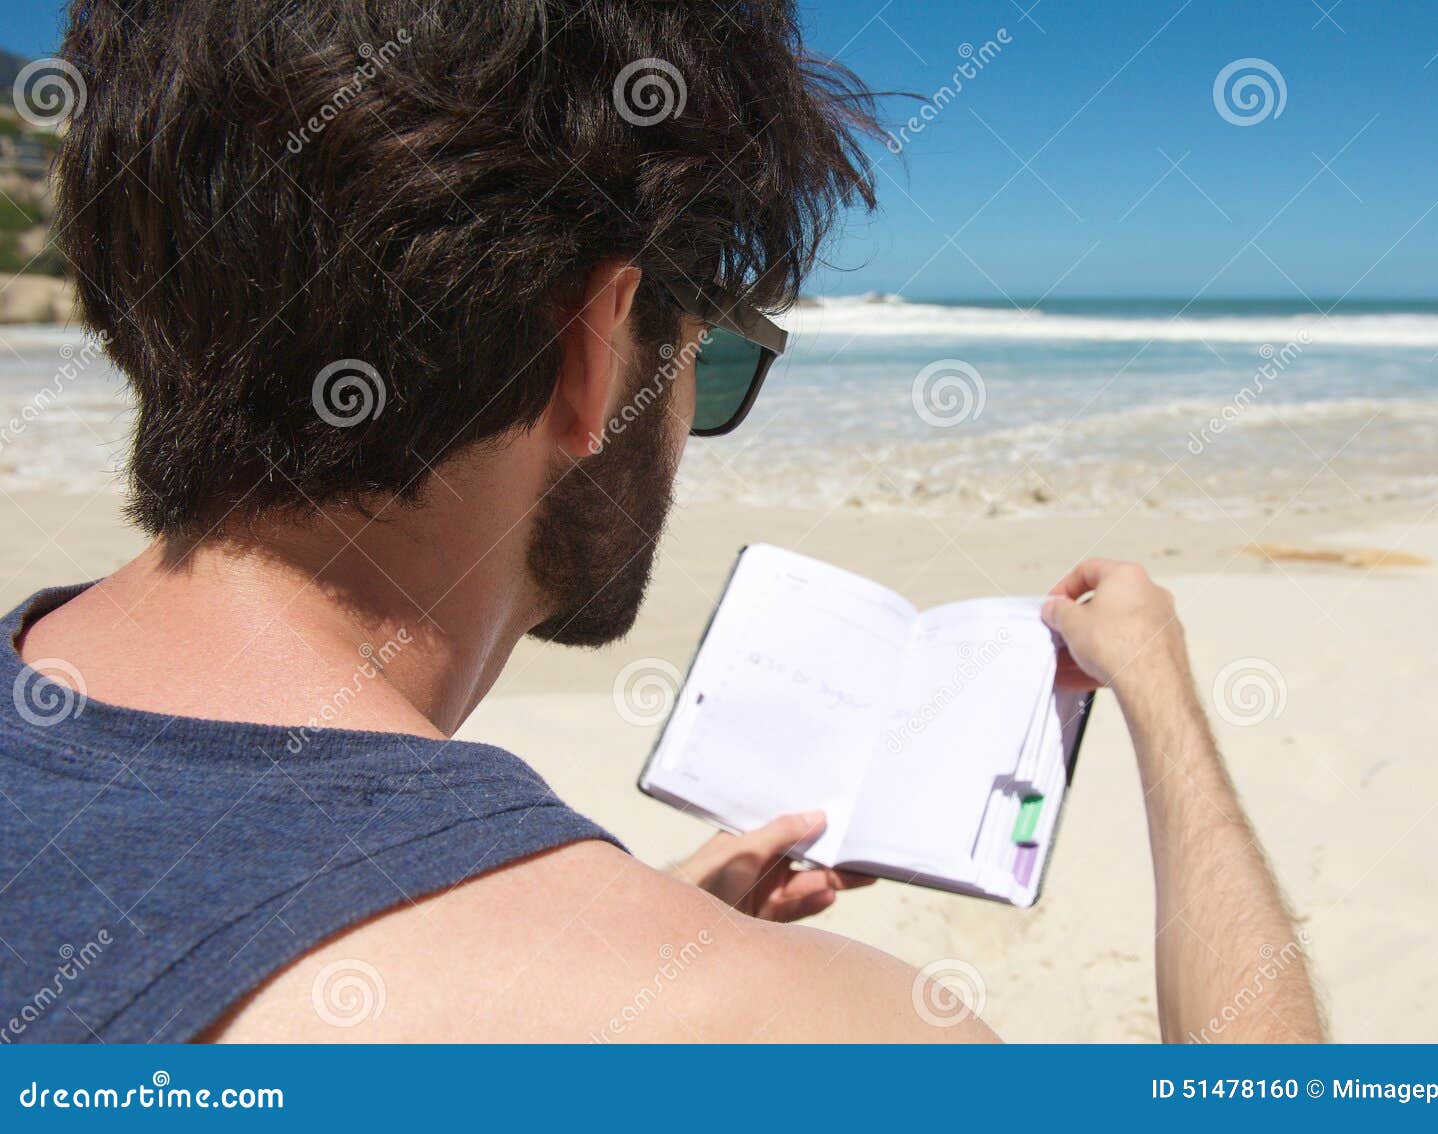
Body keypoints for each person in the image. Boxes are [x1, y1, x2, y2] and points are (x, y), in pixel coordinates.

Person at [0, 0, 1322, 1043]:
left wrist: (635, 935)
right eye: (715, 361)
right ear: (593, 346)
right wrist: (1168, 712)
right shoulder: (798, 1044)